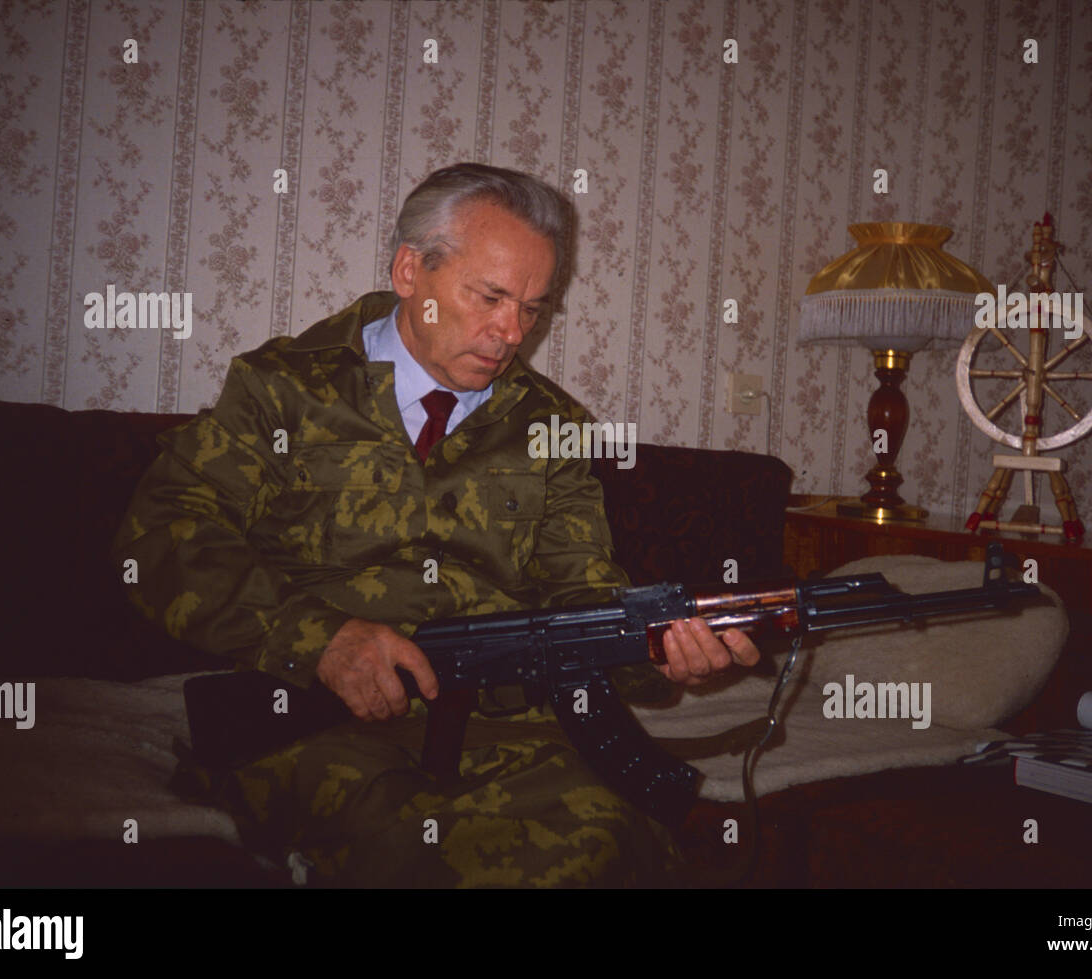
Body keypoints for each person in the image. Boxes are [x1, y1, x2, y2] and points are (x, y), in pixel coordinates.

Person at [114, 162, 759, 887]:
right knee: (414, 853)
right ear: (409, 271)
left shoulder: (554, 427)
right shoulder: (284, 391)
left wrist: (658, 648)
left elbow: (581, 596)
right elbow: (162, 537)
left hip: (504, 727)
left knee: (608, 838)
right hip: (312, 717)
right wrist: (319, 640)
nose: (511, 332)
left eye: (534, 308)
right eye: (489, 297)